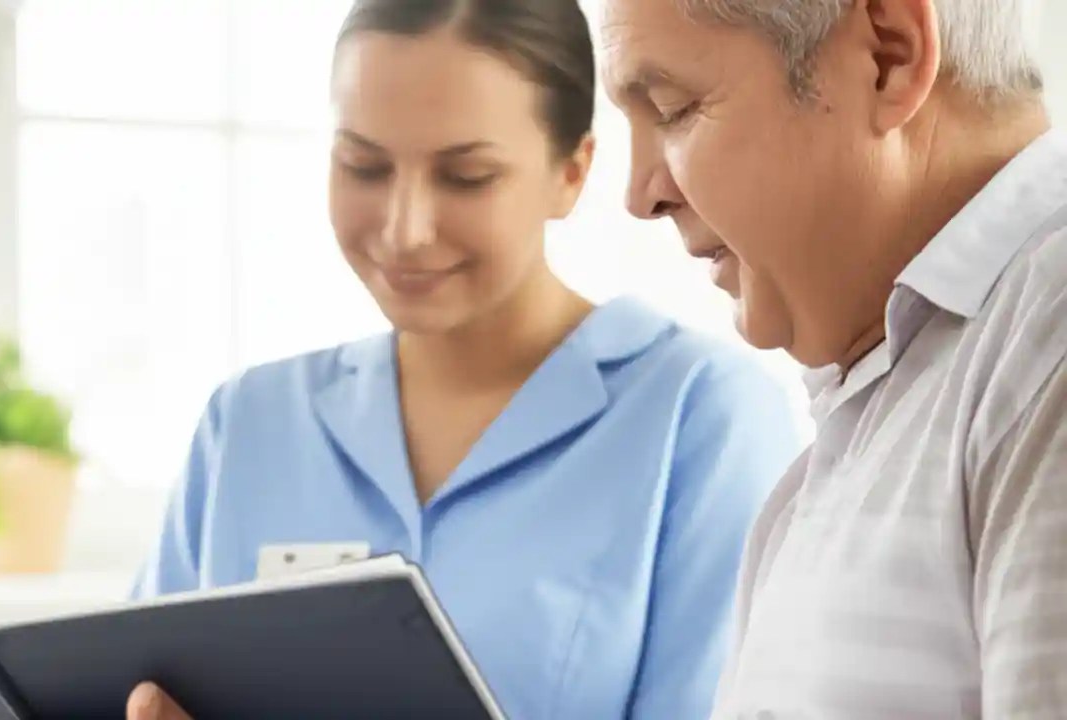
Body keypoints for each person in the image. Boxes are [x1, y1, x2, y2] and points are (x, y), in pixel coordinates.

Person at [124, 1, 802, 718]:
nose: (405, 229)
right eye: (363, 165)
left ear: (571, 173)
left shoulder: (700, 417)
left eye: (466, 176)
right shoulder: (248, 425)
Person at [600, 0, 1065, 716]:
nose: (640, 195)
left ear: (888, 57)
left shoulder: (1044, 336)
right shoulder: (888, 394)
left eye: (676, 108)